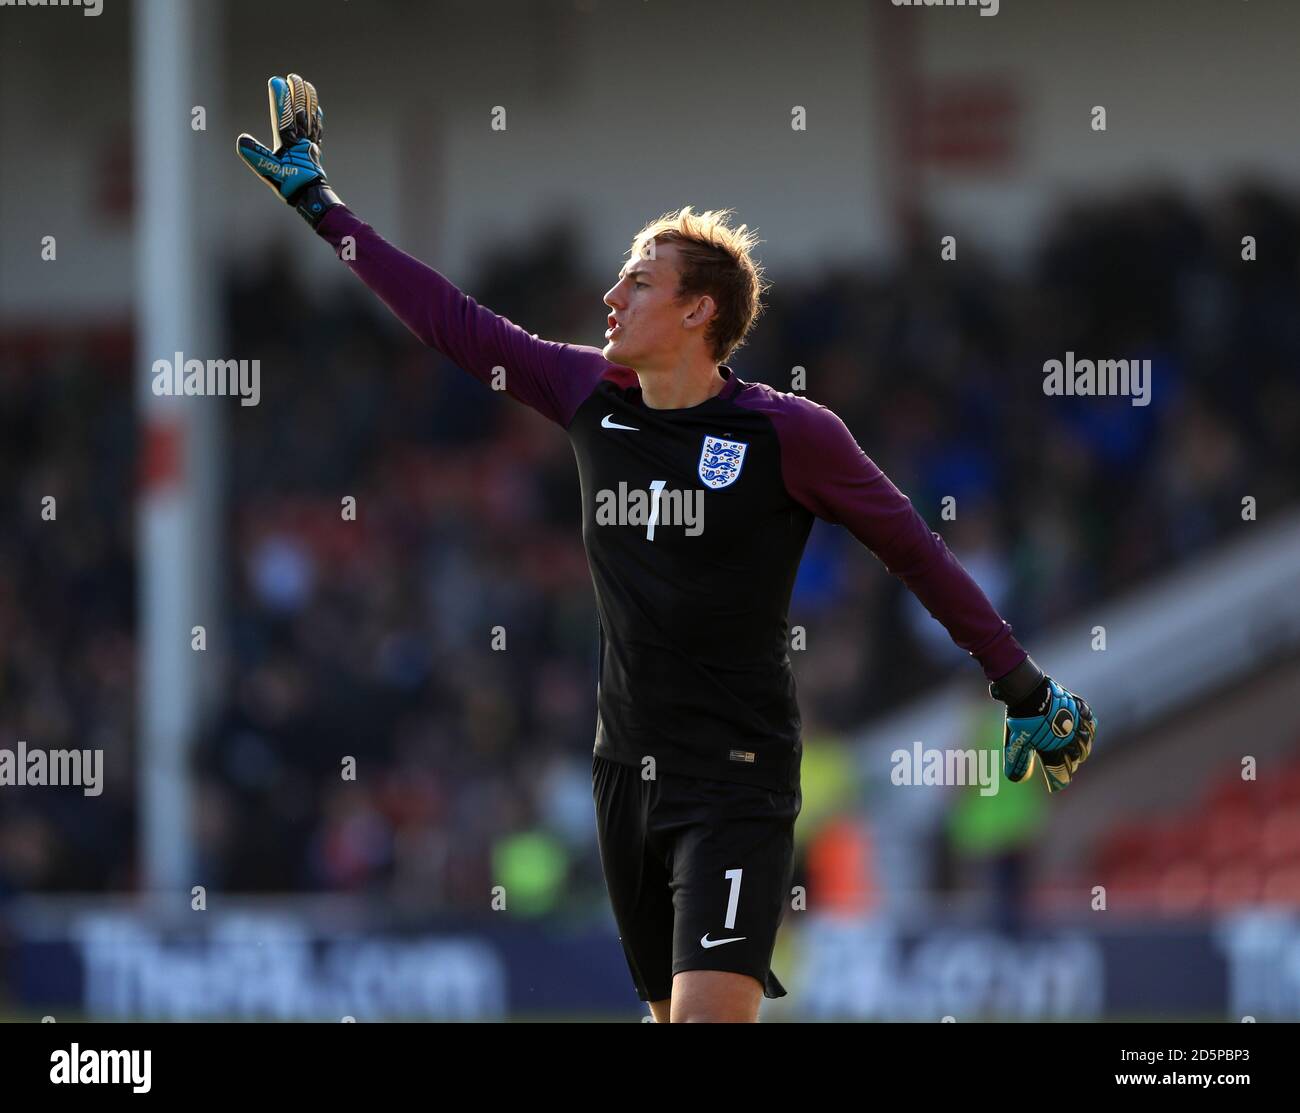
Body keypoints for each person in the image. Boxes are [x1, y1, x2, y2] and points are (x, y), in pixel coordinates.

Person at [236, 74, 1096, 1023]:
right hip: (624, 775)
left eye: (638, 282)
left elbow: (917, 553)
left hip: (736, 778)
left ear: (698, 312)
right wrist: (323, 209)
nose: (611, 297)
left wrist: (1022, 686)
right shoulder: (587, 394)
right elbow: (451, 323)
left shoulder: (791, 435)